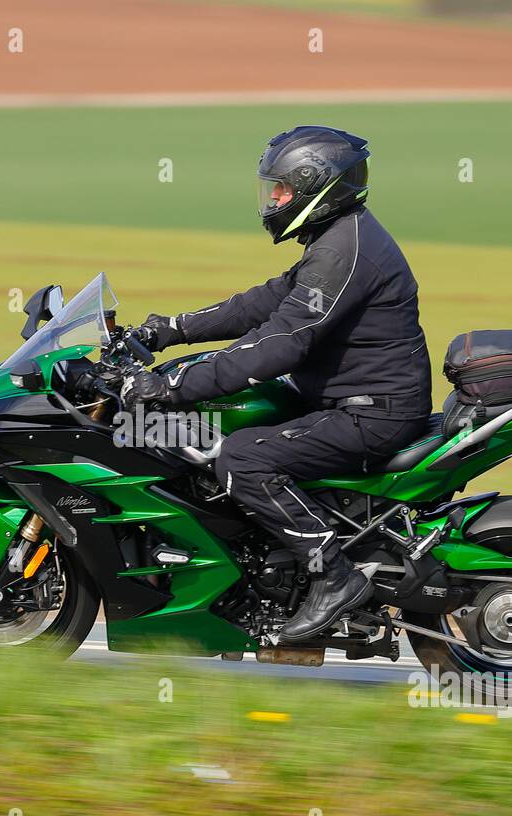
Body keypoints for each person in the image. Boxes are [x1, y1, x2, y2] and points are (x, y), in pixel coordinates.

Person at [121, 126, 433, 641]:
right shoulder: (338, 240)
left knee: (242, 457)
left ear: (318, 186)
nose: (274, 200)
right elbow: (262, 303)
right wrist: (169, 330)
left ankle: (333, 576)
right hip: (349, 402)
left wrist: (175, 386)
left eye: (283, 189)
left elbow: (283, 342)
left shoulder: (343, 253)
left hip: (371, 414)